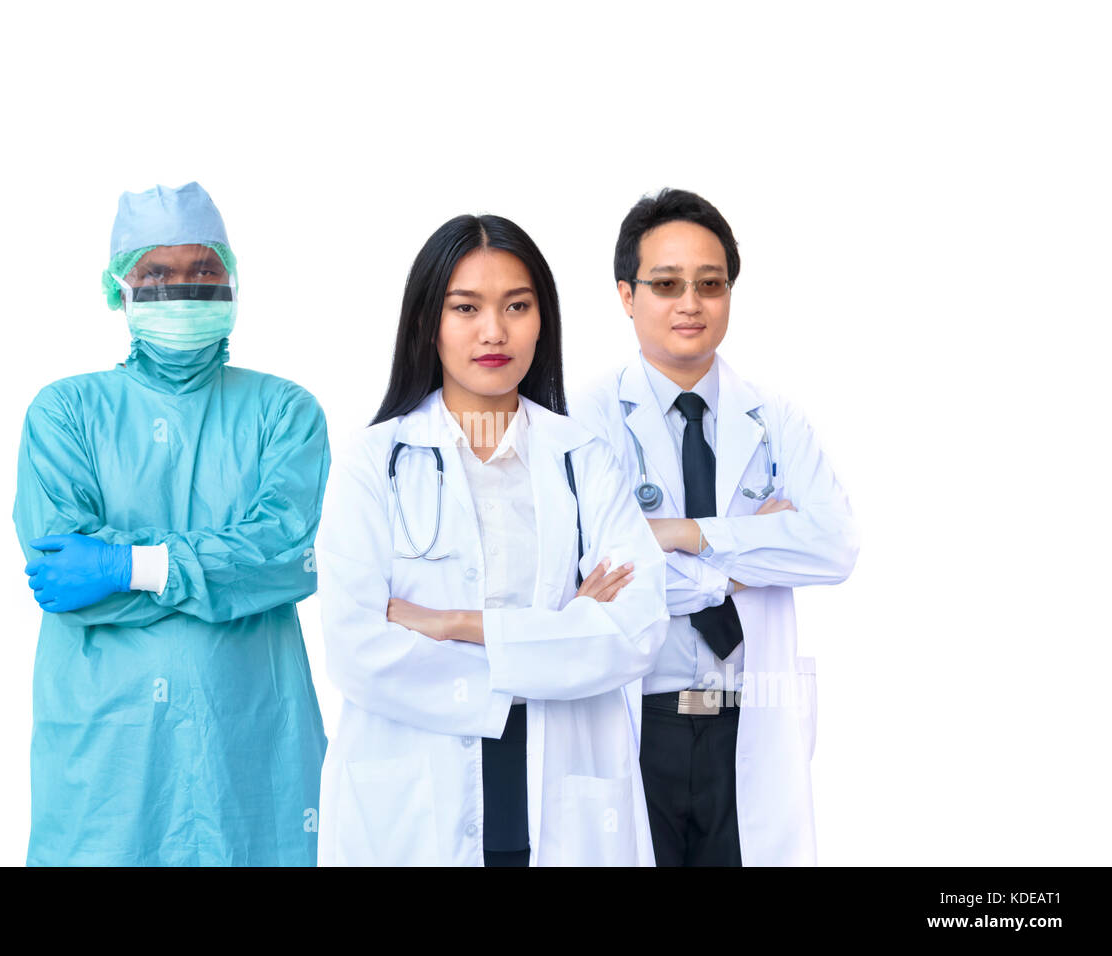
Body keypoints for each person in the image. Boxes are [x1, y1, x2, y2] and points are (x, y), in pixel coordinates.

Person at [315, 214, 670, 867]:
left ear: (543, 321)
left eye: (516, 306)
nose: (493, 331)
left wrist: (454, 624)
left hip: (561, 794)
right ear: (428, 322)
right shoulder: (373, 461)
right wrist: (558, 633)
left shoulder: (583, 457)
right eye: (466, 307)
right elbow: (356, 650)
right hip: (415, 806)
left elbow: (638, 630)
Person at [12, 182, 329, 866]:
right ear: (118, 289)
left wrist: (128, 567)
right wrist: (226, 579)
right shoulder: (65, 412)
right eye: (156, 274)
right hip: (110, 747)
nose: (182, 290)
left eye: (203, 272)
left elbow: (287, 556)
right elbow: (62, 573)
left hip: (250, 734)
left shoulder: (285, 412)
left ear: (233, 283)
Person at [571, 188, 860, 866]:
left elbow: (834, 546)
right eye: (666, 284)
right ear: (626, 295)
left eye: (711, 284)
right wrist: (746, 561)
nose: (691, 303)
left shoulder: (775, 416)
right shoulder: (585, 421)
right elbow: (603, 579)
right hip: (644, 721)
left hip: (748, 721)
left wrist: (685, 534)